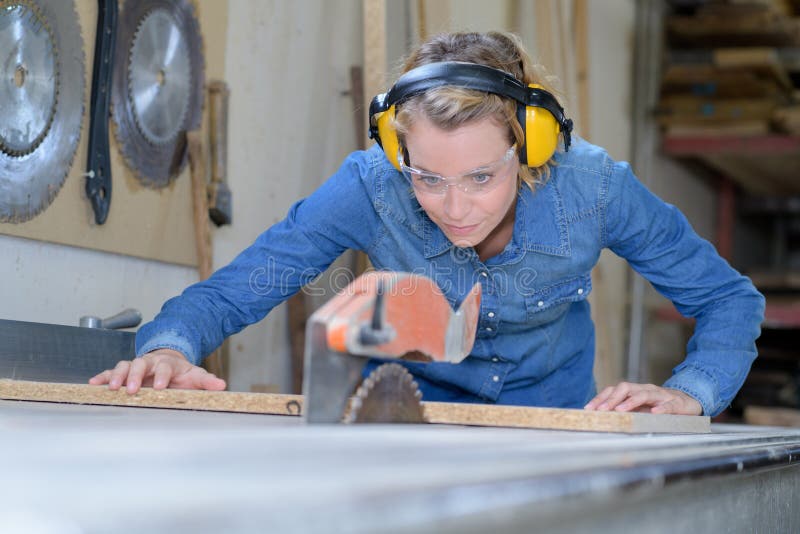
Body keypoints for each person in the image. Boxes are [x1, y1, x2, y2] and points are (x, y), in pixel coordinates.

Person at [90, 31, 764, 417]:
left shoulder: (593, 188)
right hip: (407, 419)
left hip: (554, 429)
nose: (454, 207)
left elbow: (729, 299)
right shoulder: (369, 184)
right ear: (398, 148)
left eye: (482, 177)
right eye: (428, 178)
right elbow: (242, 286)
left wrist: (689, 395)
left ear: (529, 147)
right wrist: (170, 347)